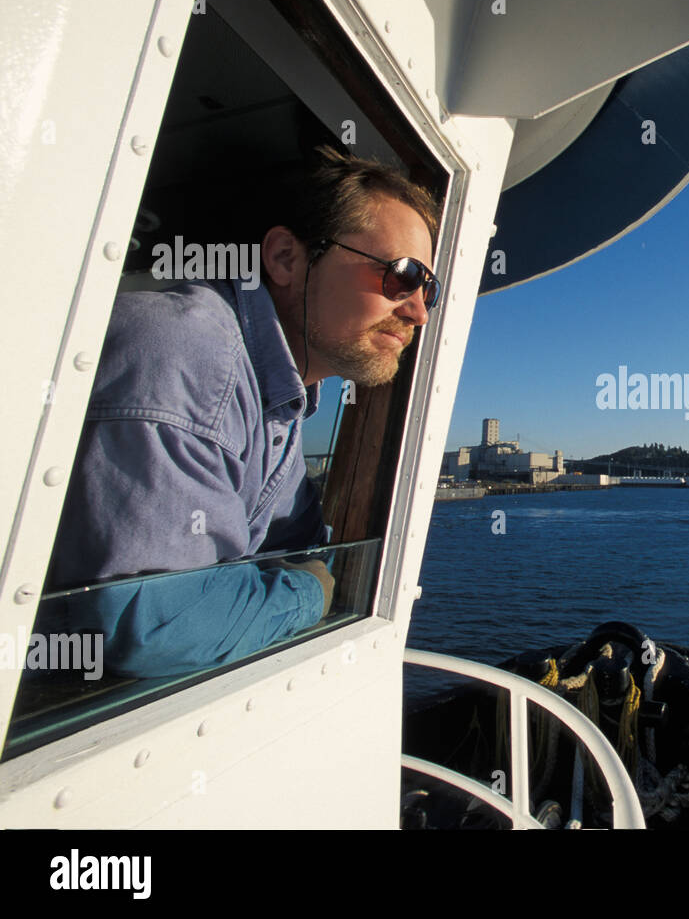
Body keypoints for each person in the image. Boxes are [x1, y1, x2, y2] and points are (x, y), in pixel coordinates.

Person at [41, 146, 439, 677]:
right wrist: (309, 594)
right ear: (285, 259)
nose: (418, 310)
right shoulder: (190, 356)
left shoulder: (280, 394)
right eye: (401, 275)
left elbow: (296, 541)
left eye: (428, 289)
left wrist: (294, 576)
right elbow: (155, 624)